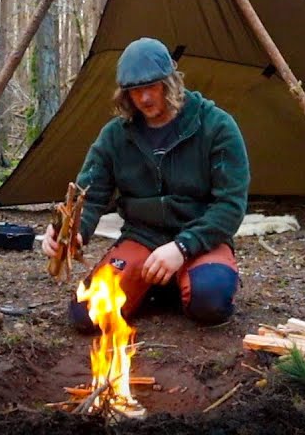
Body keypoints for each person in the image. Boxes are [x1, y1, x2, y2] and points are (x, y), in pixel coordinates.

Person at [41, 37, 250, 329]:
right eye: (135, 91)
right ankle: (157, 284)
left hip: (200, 238)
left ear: (171, 81)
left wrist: (182, 247)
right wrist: (72, 231)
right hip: (143, 238)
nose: (144, 98)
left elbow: (230, 205)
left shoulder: (216, 126)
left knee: (210, 301)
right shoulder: (116, 135)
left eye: (152, 86)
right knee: (88, 315)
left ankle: (186, 280)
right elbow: (90, 196)